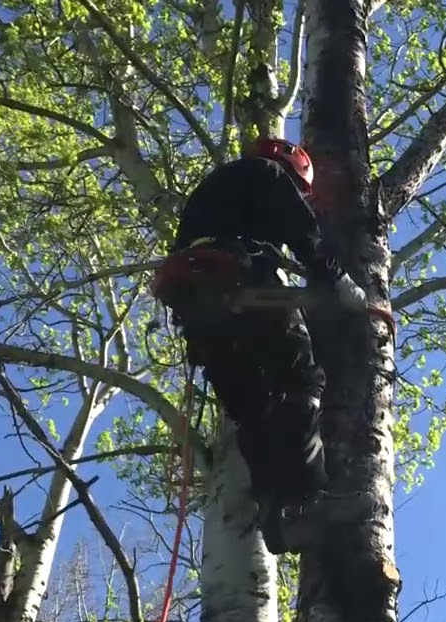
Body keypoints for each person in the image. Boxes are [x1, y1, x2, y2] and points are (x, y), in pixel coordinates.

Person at [151, 137, 369, 555]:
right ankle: (306, 502)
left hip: (200, 317)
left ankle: (275, 514)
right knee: (300, 380)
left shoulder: (211, 199)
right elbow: (303, 231)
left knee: (251, 409)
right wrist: (336, 279)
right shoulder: (266, 175)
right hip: (239, 283)